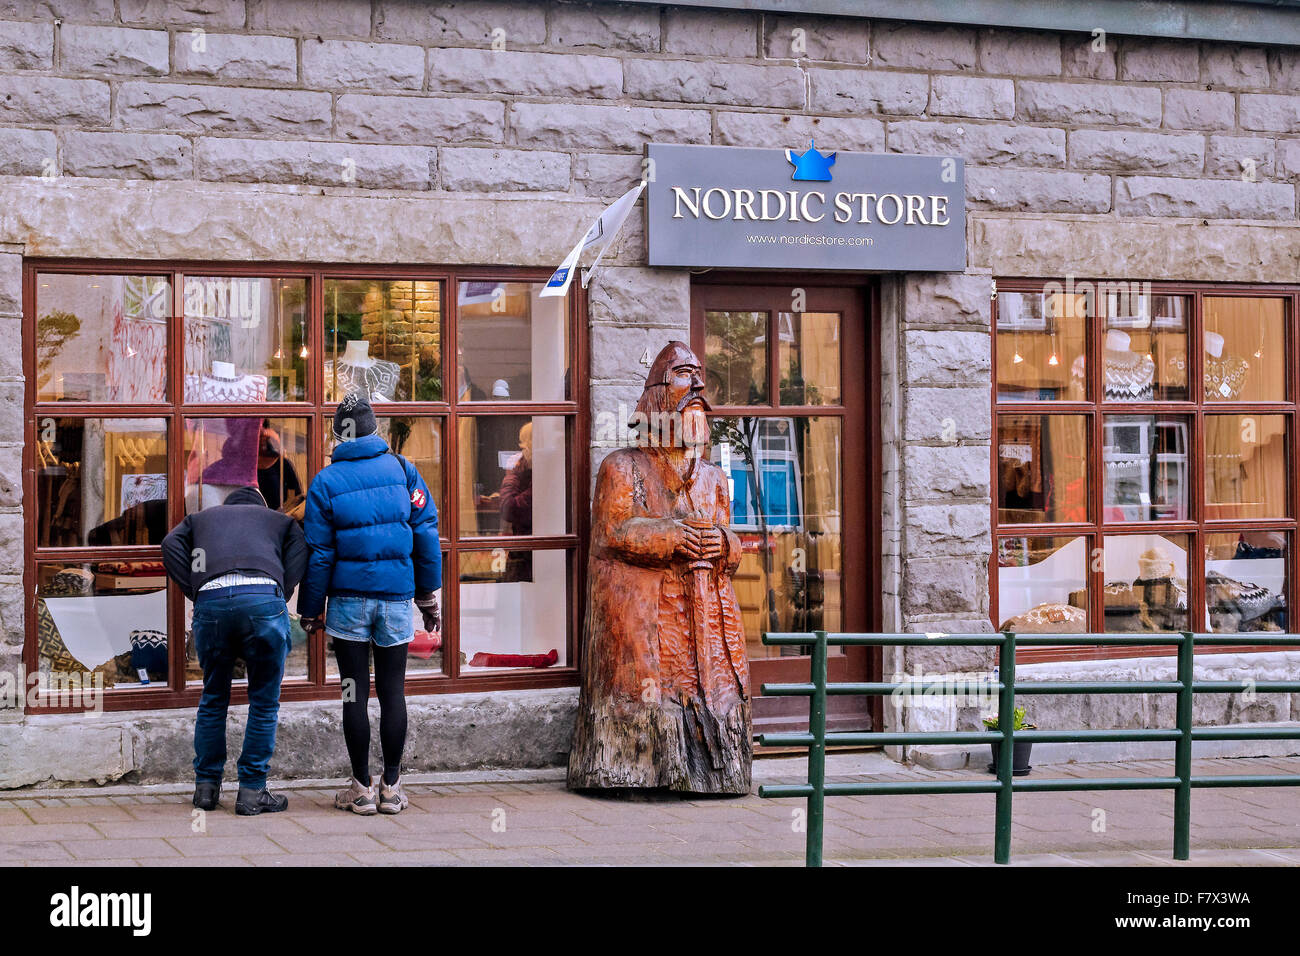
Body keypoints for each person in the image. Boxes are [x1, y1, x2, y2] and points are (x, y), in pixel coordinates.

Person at [298, 394, 441, 815]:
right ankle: (392, 788)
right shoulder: (403, 471)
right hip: (396, 600)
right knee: (393, 692)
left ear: (336, 435)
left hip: (347, 603)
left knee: (353, 693)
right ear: (374, 429)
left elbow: (319, 553)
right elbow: (425, 534)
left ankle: (360, 788)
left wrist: (310, 608)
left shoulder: (325, 482)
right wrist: (427, 594)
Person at [161, 485, 308, 815]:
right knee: (264, 701)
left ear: (228, 507)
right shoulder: (279, 520)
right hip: (262, 601)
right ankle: (252, 791)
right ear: (260, 506)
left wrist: (195, 587)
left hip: (212, 602)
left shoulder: (201, 519)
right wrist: (280, 590)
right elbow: (302, 546)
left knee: (213, 697)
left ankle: (206, 788)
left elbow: (170, 544)